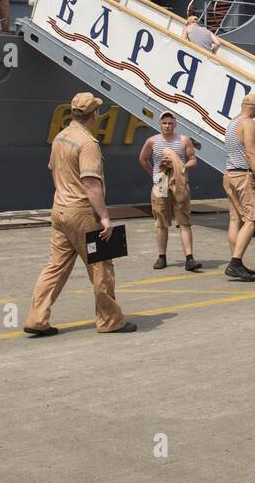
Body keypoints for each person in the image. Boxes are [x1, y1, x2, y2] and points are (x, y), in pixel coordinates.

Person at [24, 92, 133, 336]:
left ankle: (37, 318)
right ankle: (110, 320)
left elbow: (52, 167)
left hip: (60, 210)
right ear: (93, 115)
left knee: (55, 267)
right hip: (83, 214)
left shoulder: (60, 137)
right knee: (101, 266)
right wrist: (104, 217)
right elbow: (91, 184)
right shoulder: (87, 144)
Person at [138, 111, 200, 272]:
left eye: (170, 123)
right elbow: (143, 158)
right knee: (161, 223)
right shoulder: (152, 141)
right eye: (164, 123)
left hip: (179, 183)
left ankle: (189, 258)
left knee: (184, 222)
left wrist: (184, 167)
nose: (167, 126)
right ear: (160, 125)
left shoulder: (184, 140)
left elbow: (193, 159)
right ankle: (161, 257)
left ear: (175, 124)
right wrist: (154, 174)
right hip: (161, 183)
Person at [222, 93, 255, 282]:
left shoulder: (232, 123)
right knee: (254, 218)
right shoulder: (248, 123)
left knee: (235, 219)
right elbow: (250, 152)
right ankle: (235, 261)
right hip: (243, 175)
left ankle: (236, 263)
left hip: (229, 174)